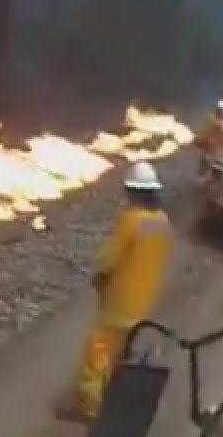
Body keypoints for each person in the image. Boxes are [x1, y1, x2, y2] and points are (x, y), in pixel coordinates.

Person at [56, 161, 172, 423]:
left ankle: (91, 409)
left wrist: (99, 277)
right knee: (121, 353)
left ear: (134, 191)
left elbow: (110, 258)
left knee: (97, 352)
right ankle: (112, 400)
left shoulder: (132, 220)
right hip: (144, 302)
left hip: (119, 300)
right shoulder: (163, 223)